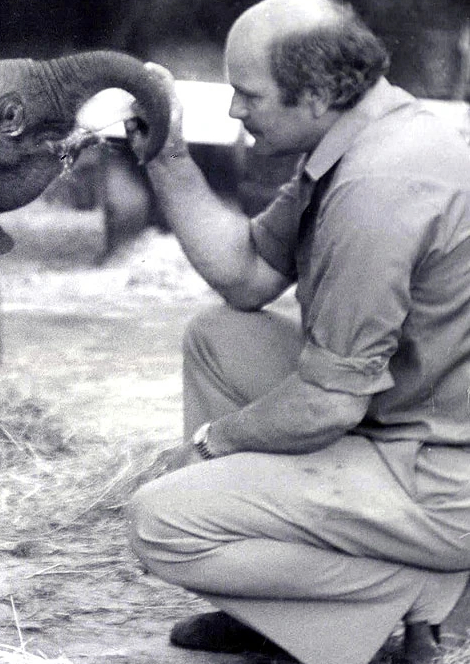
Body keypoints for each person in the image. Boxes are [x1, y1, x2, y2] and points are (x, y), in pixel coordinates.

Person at [122, 0, 470, 663]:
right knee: (217, 338)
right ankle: (280, 617)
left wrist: (205, 446)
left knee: (159, 522)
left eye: (247, 94)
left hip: (436, 478)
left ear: (313, 95)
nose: (232, 111)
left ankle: (416, 592)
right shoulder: (357, 137)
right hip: (401, 420)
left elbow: (327, 404)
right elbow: (247, 274)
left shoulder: (378, 187)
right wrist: (166, 161)